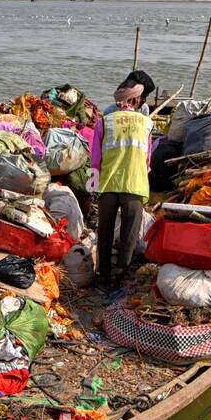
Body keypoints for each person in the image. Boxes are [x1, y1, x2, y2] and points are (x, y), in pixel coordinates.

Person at [90, 78, 153, 288]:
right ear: (136, 100)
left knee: (105, 232)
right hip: (134, 185)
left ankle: (103, 275)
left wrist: (93, 186)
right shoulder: (146, 124)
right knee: (129, 236)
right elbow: (148, 161)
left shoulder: (104, 122)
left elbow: (95, 159)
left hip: (108, 184)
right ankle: (121, 278)